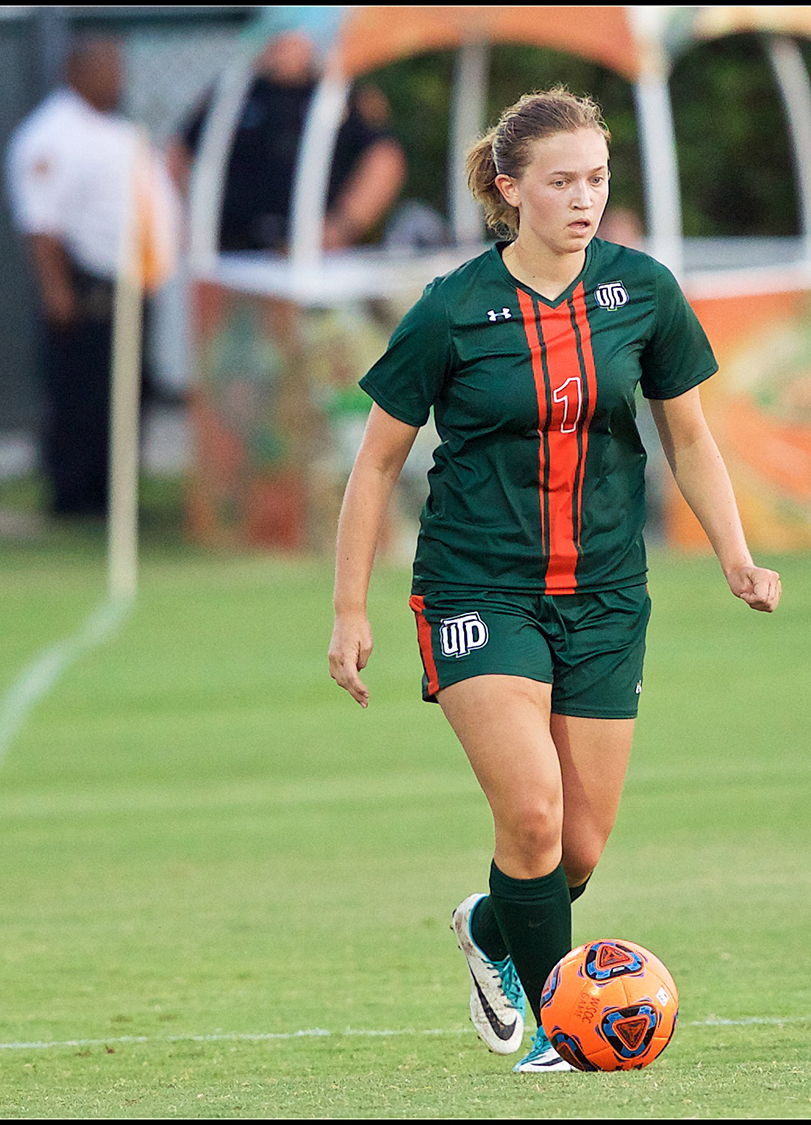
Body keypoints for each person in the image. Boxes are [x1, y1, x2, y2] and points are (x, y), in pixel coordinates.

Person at [326, 87, 781, 1074]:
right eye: (562, 182)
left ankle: (492, 928)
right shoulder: (451, 310)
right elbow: (371, 466)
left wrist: (734, 553)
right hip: (475, 590)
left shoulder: (641, 291)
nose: (584, 199)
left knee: (573, 851)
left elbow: (687, 435)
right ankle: (552, 1030)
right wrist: (350, 608)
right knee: (529, 813)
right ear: (508, 188)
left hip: (608, 595)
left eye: (597, 180)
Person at [6, 34, 179, 517]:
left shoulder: (112, 130)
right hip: (88, 286)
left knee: (125, 394)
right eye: (108, 69)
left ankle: (111, 495)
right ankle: (74, 498)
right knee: (81, 396)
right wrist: (56, 289)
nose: (118, 79)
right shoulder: (52, 134)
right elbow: (42, 222)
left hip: (129, 287)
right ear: (78, 72)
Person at [168, 30, 405, 253]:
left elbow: (385, 160)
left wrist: (343, 225)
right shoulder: (233, 91)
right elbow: (179, 153)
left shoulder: (340, 91)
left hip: (312, 254)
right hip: (234, 253)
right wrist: (196, 219)